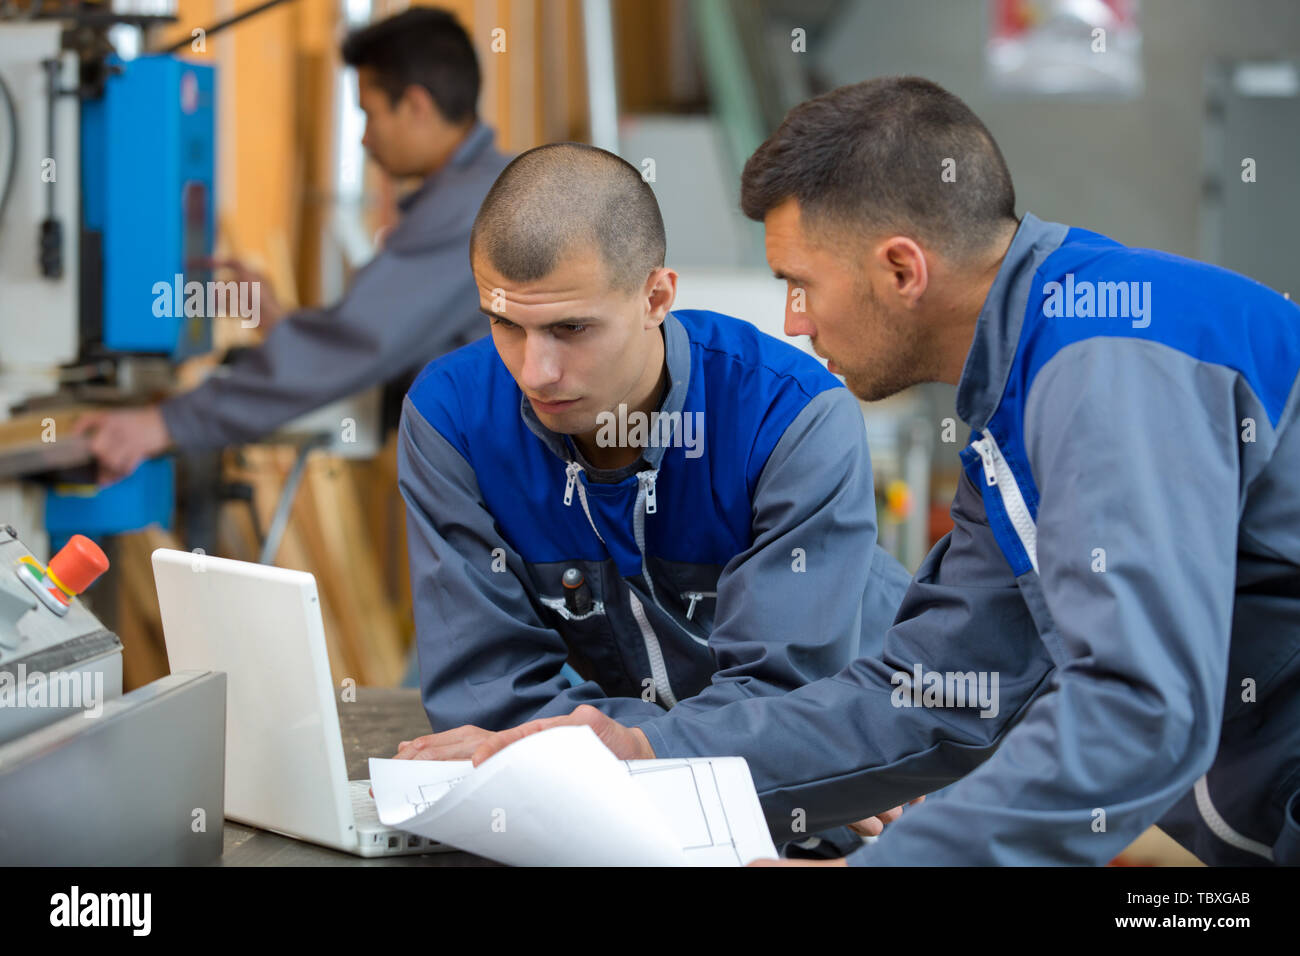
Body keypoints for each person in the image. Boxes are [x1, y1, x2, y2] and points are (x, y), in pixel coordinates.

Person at [473, 76, 1300, 867]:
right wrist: (648, 748)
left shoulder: (1103, 365)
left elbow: (1138, 714)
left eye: (800, 285)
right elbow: (936, 693)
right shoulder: (1024, 398)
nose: (792, 322)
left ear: (902, 270)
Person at [393, 142, 913, 852]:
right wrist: (658, 756)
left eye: (569, 328)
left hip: (869, 796)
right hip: (649, 814)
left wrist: (617, 751)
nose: (535, 371)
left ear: (656, 297)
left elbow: (789, 708)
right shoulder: (451, 420)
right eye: (504, 323)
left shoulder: (791, 421)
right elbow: (492, 699)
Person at [73, 7, 509, 482]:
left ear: (417, 106)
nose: (363, 137)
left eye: (369, 112)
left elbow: (357, 345)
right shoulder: (479, 194)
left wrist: (164, 423)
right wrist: (281, 324)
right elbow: (382, 335)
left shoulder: (472, 212)